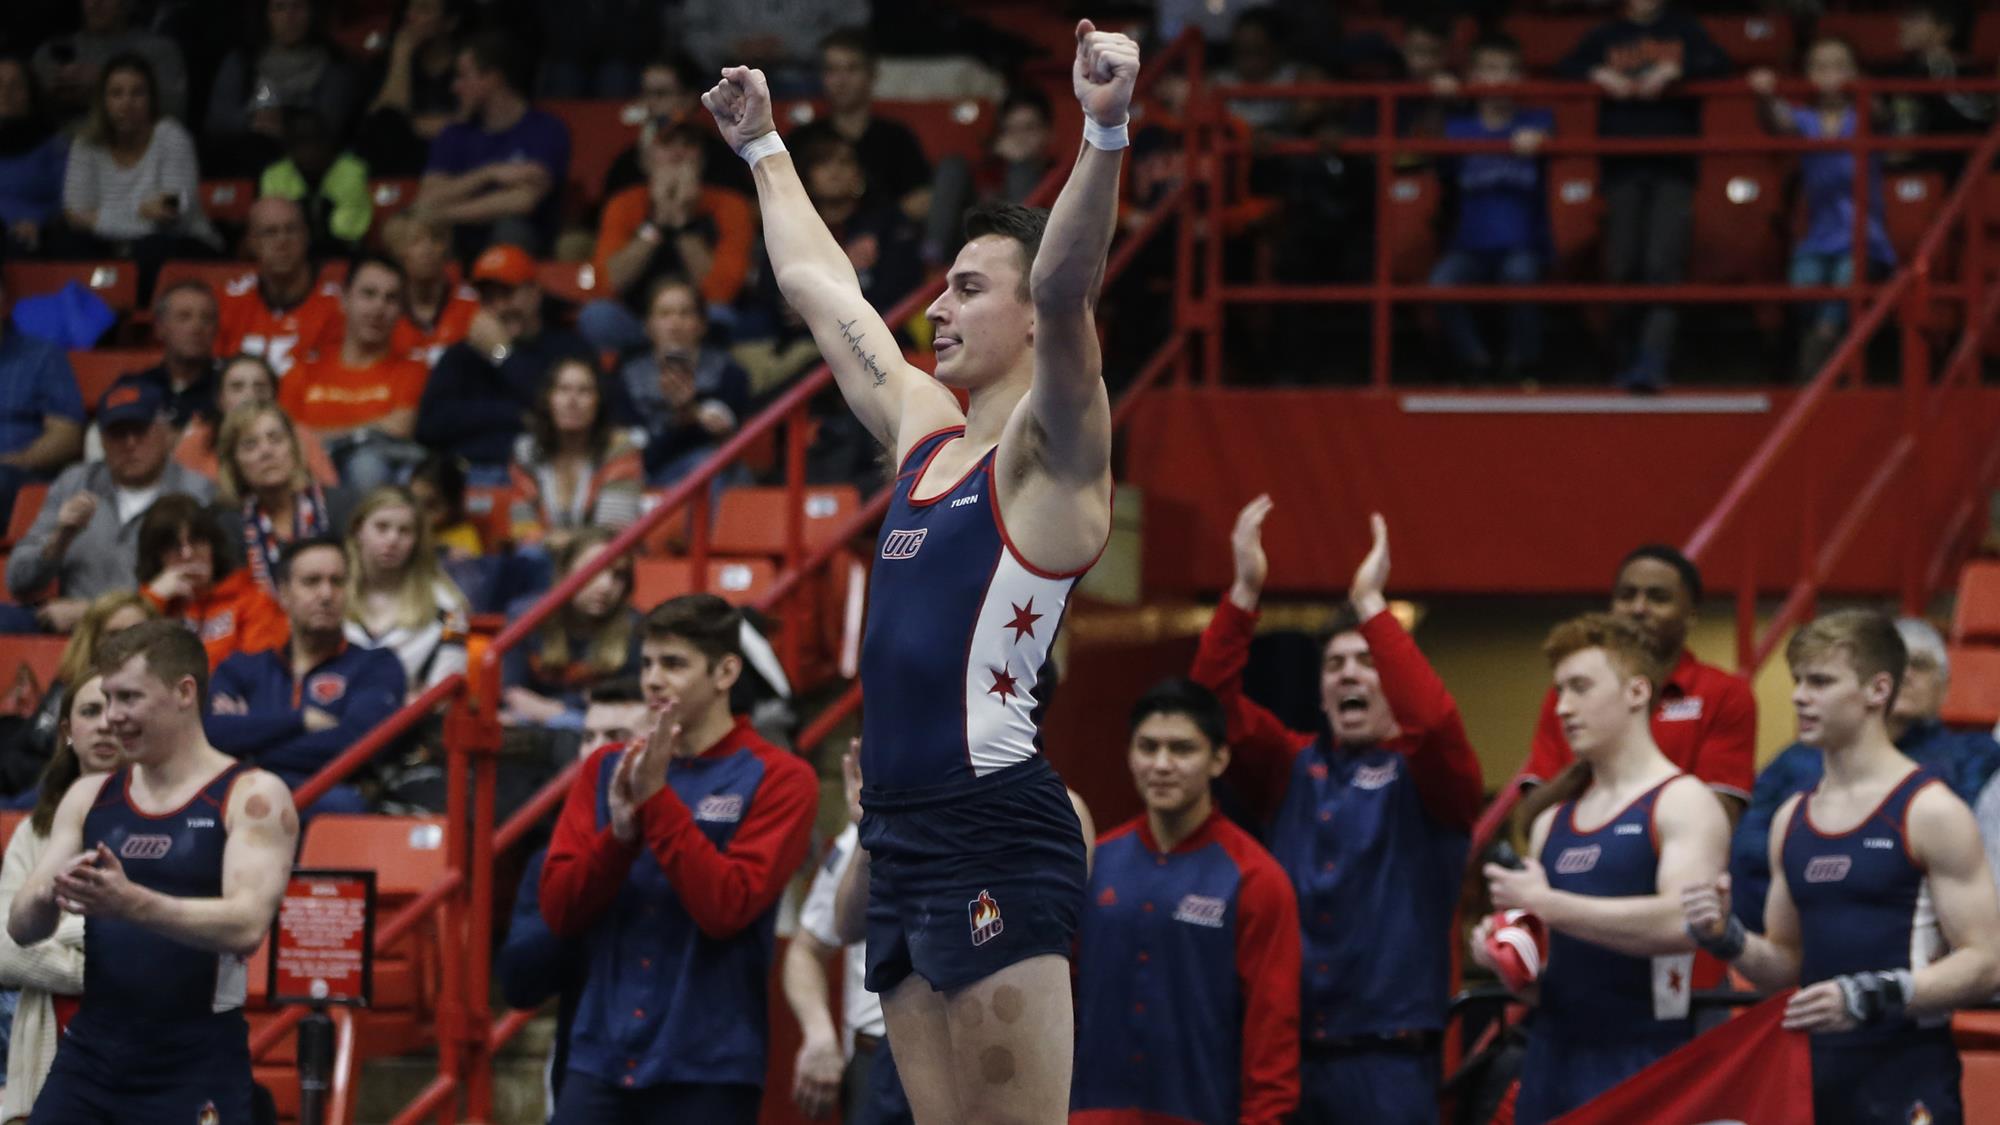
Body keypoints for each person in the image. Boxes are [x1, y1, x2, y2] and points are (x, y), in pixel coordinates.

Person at [700, 23, 1134, 1119]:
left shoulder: (1054, 456)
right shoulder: (925, 433)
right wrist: (762, 150)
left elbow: (1072, 278)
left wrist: (1103, 126)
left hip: (990, 823)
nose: (933, 309)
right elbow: (818, 287)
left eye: (966, 289)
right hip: (894, 831)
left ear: (1030, 315)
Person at [1194, 501, 1482, 1122]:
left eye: (1366, 661)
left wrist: (1373, 606)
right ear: (1320, 689)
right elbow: (1206, 713)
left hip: (1391, 1066)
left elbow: (1432, 721)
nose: (1348, 673)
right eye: (1334, 664)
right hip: (1284, 1059)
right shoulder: (1289, 766)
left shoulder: (1432, 778)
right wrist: (1244, 593)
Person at [1682, 609, 2000, 1125]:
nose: (1798, 697)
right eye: (1798, 681)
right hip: (1814, 1078)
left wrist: (1872, 993)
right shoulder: (1793, 818)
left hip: (1906, 1076)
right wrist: (1728, 936)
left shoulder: (1931, 811)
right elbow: (1785, 965)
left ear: (1878, 690)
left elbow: (1985, 963)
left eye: (1820, 682)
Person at [539, 594, 818, 1123]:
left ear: (726, 672)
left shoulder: (784, 778)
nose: (652, 680)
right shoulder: (603, 768)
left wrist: (655, 801)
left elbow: (727, 908)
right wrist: (619, 837)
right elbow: (559, 911)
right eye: (646, 663)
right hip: (598, 1054)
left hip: (708, 1065)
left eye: (674, 664)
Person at [6, 619, 296, 1122]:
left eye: (129, 699)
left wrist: (131, 903)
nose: (112, 718)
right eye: (106, 699)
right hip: (92, 1059)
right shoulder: (89, 795)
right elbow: (22, 929)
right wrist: (50, 892)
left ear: (184, 692)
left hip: (195, 1063)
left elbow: (247, 926)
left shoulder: (251, 795)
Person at [1477, 612, 1731, 1124]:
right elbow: (1550, 969)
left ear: (1637, 693)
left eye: (1580, 688)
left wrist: (1546, 903)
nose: (1563, 708)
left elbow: (1681, 924)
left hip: (1641, 1055)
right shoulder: (1552, 820)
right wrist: (1504, 950)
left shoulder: (1683, 802)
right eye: (1559, 691)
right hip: (1552, 1052)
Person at [1072, 678, 1301, 1125]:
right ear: (1129, 754)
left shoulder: (1256, 878)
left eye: (1181, 749)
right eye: (1147, 746)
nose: (1161, 764)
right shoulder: (1094, 863)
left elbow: (1272, 1033)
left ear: (1219, 759)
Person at [1731, 617, 2000, 932]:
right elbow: (1749, 852)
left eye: (1920, 665)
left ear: (1944, 686)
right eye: (1898, 664)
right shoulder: (1796, 759)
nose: (1906, 675)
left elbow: (1972, 851)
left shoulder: (1977, 755)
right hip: (1797, 930)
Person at [1558, 0, 1731, 393]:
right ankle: (1620, 358)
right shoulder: (1604, 35)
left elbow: (1720, 63)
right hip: (1621, 167)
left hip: (1673, 167)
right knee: (1622, 266)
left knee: (1661, 266)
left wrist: (1677, 71)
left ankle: (1652, 362)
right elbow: (1563, 67)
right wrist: (1597, 73)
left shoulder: (1686, 30)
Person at [1520, 545, 1756, 822]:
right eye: (1626, 595)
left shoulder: (1725, 693)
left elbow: (1720, 816)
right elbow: (1530, 819)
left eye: (1658, 598)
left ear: (1691, 614)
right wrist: (1594, 760)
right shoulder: (1568, 696)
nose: (1638, 608)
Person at [495, 682, 645, 1119]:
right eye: (587, 737)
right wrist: (586, 884)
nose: (594, 753)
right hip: (585, 1072)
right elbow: (520, 984)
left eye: (614, 737)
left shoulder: (689, 842)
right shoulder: (553, 859)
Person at [206, 536, 402, 815]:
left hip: (327, 802)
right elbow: (212, 734)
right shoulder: (239, 668)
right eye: (311, 582)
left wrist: (247, 751)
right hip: (240, 800)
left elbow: (358, 745)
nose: (326, 594)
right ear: (284, 594)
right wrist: (302, 720)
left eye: (337, 582)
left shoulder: (376, 666)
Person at [0, 673, 122, 1122]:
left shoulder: (171, 822)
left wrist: (56, 932)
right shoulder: (34, 833)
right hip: (48, 1046)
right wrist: (102, 948)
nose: (106, 724)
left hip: (139, 1053)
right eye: (91, 712)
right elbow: (3, 951)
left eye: (116, 711)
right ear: (68, 732)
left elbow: (164, 950)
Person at [6, 377, 214, 631]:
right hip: (75, 638)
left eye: (139, 430)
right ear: (102, 440)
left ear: (165, 433)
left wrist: (90, 613)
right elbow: (18, 582)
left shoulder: (197, 492)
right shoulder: (75, 482)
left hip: (159, 632)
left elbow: (199, 584)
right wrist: (61, 538)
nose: (129, 444)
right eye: (118, 433)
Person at [1748, 40, 1897, 379]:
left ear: (1855, 72)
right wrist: (1765, 94)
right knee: (1804, 285)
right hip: (1818, 231)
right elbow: (1778, 122)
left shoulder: (1864, 114)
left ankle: (1814, 378)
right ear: (1809, 74)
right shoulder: (1806, 118)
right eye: (1820, 66)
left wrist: (1859, 88)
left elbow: (1881, 112)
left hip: (1863, 232)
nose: (1830, 75)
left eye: (1839, 66)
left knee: (1840, 297)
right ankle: (1833, 368)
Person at [781, 742, 910, 1125]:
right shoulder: (855, 838)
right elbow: (808, 948)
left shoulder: (1000, 822)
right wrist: (819, 1034)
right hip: (877, 1056)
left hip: (968, 1045)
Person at [417, 244, 597, 481]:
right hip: (467, 470)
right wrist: (515, 414)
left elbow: (554, 411)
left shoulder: (568, 348)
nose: (500, 307)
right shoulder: (462, 354)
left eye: (507, 294)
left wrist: (502, 354)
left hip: (544, 472)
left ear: (535, 293)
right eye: (489, 298)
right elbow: (429, 426)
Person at [1430, 35, 1552, 382]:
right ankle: (1475, 362)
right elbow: (1414, 156)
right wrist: (1441, 102)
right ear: (1473, 77)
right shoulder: (1456, 128)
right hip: (1469, 246)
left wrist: (1542, 142)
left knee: (1521, 276)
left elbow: (1558, 145)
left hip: (1523, 245)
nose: (1498, 79)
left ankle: (1522, 365)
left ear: (1520, 79)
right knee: (1440, 283)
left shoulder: (1539, 122)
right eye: (1489, 70)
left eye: (1507, 71)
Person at [583, 121, 755, 355]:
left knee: (720, 316)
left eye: (688, 145)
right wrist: (657, 222)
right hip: (639, 323)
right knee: (598, 316)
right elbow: (608, 283)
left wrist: (683, 222)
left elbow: (721, 293)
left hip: (699, 324)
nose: (678, 154)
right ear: (645, 160)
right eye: (666, 145)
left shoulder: (731, 205)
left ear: (701, 160)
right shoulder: (624, 203)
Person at [53, 54, 221, 287]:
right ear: (103, 100)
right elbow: (75, 215)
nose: (127, 103)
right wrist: (141, 209)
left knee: (151, 247)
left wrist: (99, 218)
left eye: (137, 93)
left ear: (151, 99)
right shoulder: (86, 143)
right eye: (117, 93)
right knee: (68, 244)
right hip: (112, 246)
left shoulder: (171, 136)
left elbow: (173, 210)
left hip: (181, 242)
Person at [416, 29, 571, 258]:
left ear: (493, 78)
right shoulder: (454, 134)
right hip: (458, 238)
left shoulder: (546, 129)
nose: (455, 87)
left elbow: (523, 201)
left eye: (463, 76)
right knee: (422, 236)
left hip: (522, 241)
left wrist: (444, 212)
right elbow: (426, 198)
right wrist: (490, 173)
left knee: (511, 229)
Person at [279, 255, 428, 491]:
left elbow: (399, 428)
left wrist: (319, 437)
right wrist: (367, 431)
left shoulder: (412, 370)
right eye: (368, 294)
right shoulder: (303, 371)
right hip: (309, 482)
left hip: (377, 487)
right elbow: (288, 440)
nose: (379, 307)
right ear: (344, 300)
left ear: (401, 310)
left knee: (367, 465)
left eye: (391, 299)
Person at [0, 593, 152, 799]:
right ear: (93, 638)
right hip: (43, 785)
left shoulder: (160, 697)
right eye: (113, 634)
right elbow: (27, 746)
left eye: (136, 634)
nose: (125, 644)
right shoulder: (68, 684)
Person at [501, 529, 642, 732]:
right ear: (565, 572)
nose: (606, 586)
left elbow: (624, 711)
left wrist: (554, 712)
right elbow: (513, 694)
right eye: (594, 571)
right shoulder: (526, 616)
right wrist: (573, 708)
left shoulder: (635, 628)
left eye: (618, 576)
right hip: (532, 732)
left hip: (595, 736)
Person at [615, 278, 750, 488]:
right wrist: (690, 418)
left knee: (708, 463)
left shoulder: (729, 373)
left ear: (701, 324)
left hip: (715, 472)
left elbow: (729, 443)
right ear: (648, 325)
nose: (675, 323)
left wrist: (690, 410)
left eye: (685, 313)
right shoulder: (628, 378)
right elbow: (638, 452)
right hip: (649, 472)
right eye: (665, 314)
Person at [203, 0, 362, 178]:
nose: (289, 17)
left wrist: (285, 122)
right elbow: (217, 120)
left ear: (313, 13)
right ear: (265, 15)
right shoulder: (242, 60)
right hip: (247, 152)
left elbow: (331, 122)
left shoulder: (335, 63)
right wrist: (253, 121)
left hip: (308, 160)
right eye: (279, 8)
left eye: (298, 7)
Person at [786, 30, 932, 223]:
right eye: (832, 70)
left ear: (872, 74)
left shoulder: (897, 137)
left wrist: (876, 228)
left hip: (889, 245)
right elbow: (774, 200)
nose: (841, 80)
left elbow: (923, 200)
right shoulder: (802, 138)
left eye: (852, 69)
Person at [214, 401, 358, 592]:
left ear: (295, 448)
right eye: (250, 445)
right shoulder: (226, 526)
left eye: (276, 439)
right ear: (233, 463)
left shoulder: (342, 507)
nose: (266, 452)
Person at [136, 493, 289, 670]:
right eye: (173, 546)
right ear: (156, 557)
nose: (187, 554)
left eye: (196, 541)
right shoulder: (151, 604)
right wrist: (153, 600)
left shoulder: (251, 597)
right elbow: (124, 657)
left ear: (212, 545)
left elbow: (260, 671)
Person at [343, 485, 469, 695]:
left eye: (405, 531)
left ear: (417, 540)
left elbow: (446, 689)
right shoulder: (329, 592)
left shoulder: (450, 609)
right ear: (358, 530)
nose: (393, 539)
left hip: (414, 722)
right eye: (382, 527)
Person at [508, 358, 644, 549]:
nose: (572, 401)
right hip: (541, 565)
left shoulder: (619, 449)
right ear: (549, 399)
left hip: (602, 566)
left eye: (584, 391)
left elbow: (613, 532)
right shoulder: (527, 452)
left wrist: (557, 540)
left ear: (598, 402)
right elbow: (522, 531)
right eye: (563, 390)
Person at [215, 196, 344, 376]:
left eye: (291, 230)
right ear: (251, 242)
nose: (282, 241)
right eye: (270, 232)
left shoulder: (338, 306)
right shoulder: (229, 301)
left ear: (306, 236)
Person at [175, 353, 340, 488]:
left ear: (274, 399)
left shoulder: (298, 436)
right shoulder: (198, 440)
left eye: (260, 387)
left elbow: (328, 492)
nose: (249, 395)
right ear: (220, 399)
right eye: (237, 387)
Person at [602, 55, 750, 201]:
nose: (651, 103)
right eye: (646, 94)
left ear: (690, 98)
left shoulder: (723, 159)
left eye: (661, 94)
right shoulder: (626, 164)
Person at [0, 274, 84, 530]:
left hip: (16, 476)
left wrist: (11, 460)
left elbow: (66, 435)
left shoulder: (42, 356)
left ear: (5, 304)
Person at [1880, 1, 1993, 178]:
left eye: (1915, 19)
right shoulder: (1897, 72)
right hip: (1905, 177)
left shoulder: (1966, 76)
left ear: (1945, 30)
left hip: (1956, 178)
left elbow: (1981, 119)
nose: (1902, 24)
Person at [31, 0, 189, 124]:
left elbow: (173, 111)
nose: (95, 2)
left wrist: (105, 84)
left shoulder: (159, 51)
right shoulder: (52, 53)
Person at [352, 0, 462, 177]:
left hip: (453, 167)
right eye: (409, 9)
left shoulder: (467, 66)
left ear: (450, 22)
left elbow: (471, 127)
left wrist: (407, 125)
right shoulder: (385, 65)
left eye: (424, 9)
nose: (410, 17)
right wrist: (402, 54)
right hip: (399, 166)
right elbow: (383, 124)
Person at [258, 107, 372, 256]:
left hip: (342, 256)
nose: (309, 150)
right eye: (300, 141)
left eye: (315, 139)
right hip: (288, 257)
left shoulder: (353, 171)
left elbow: (346, 235)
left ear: (329, 142)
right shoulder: (274, 174)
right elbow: (272, 230)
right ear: (288, 146)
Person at [384, 209, 479, 365]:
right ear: (397, 252)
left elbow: (498, 356)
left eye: (435, 240)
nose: (427, 250)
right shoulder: (385, 311)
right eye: (415, 242)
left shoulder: (472, 304)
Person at [0, 56, 69, 258]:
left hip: (32, 238)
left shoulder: (54, 146)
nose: (6, 93)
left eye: (16, 86)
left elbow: (69, 202)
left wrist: (40, 222)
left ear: (30, 94)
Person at [129, 281, 220, 428]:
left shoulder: (226, 389)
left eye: (206, 318)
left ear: (216, 329)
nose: (196, 327)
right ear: (160, 328)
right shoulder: (137, 387)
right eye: (184, 317)